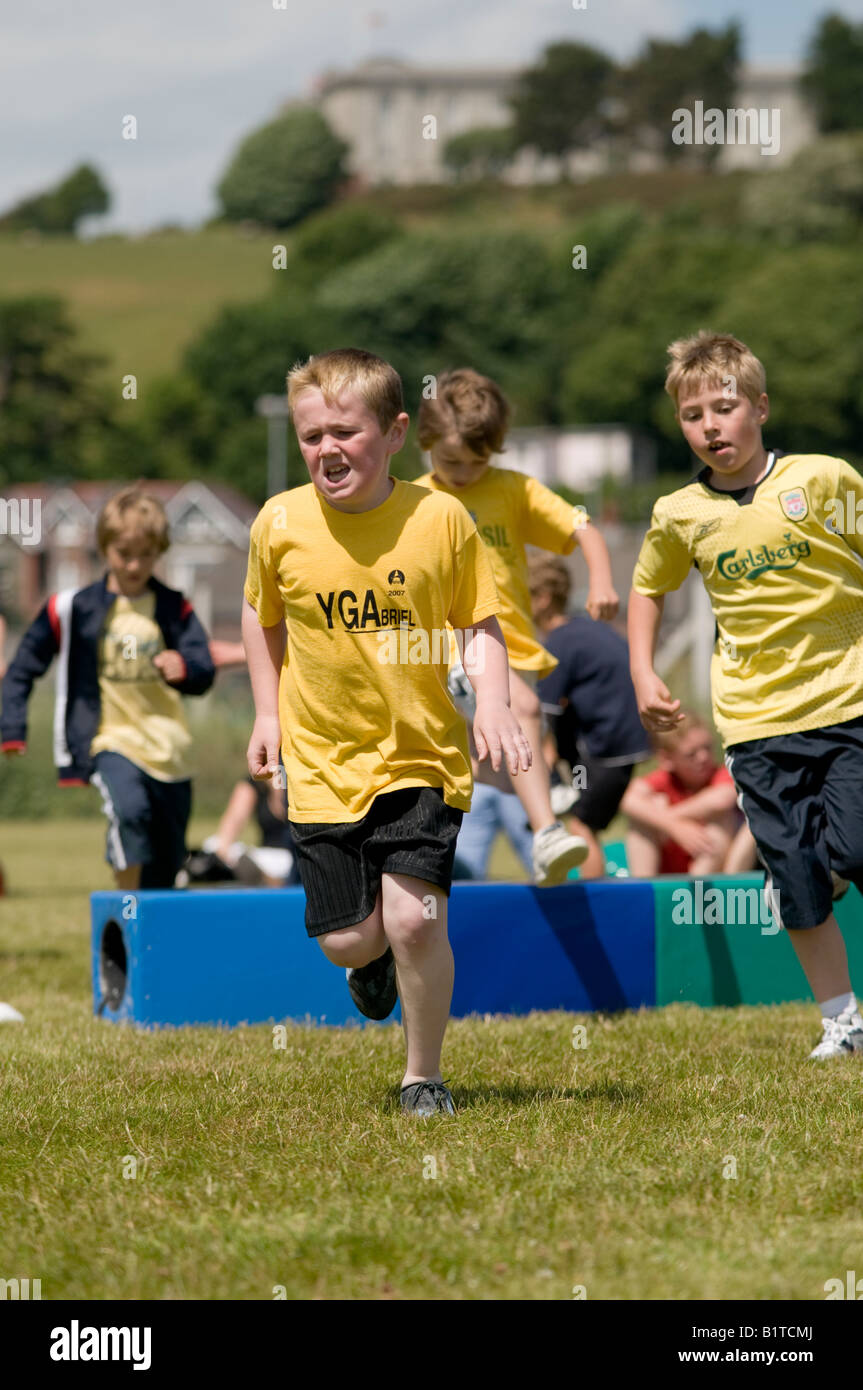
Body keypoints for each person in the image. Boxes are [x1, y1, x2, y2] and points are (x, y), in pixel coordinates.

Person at [242, 348, 531, 1117]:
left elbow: (479, 621)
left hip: (420, 757)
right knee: (350, 940)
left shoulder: (440, 519)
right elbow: (259, 613)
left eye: (345, 431)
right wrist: (268, 713)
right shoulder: (279, 522)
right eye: (310, 436)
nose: (326, 449)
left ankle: (422, 1075)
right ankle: (364, 967)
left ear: (395, 431)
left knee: (414, 918)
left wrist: (495, 703)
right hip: (322, 761)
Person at [629, 330, 863, 1060]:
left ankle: (830, 861)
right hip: (755, 722)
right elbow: (648, 589)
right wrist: (642, 671)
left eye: (723, 408)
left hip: (848, 699)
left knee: (854, 849)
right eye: (693, 414)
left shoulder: (825, 479)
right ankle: (840, 1020)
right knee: (792, 879)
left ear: (758, 408)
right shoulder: (678, 514)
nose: (709, 425)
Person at [415, 368, 620, 887]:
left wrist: (600, 580)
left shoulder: (513, 490)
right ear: (425, 443)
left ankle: (536, 825)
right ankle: (547, 829)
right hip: (449, 644)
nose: (462, 474)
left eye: (476, 462)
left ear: (497, 449)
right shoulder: (412, 500)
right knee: (519, 711)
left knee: (500, 759)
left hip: (514, 645)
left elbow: (581, 525)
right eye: (449, 461)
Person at [1, 486, 215, 890]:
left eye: (146, 554)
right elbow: (24, 666)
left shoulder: (174, 607)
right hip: (109, 741)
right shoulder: (72, 609)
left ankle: (150, 932)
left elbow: (203, 668)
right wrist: (12, 727)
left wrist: (183, 666)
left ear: (160, 551)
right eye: (124, 553)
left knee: (167, 861)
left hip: (168, 748)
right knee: (129, 812)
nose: (135, 565)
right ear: (104, 547)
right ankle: (126, 907)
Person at [529, 554, 650, 878]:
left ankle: (591, 902)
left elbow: (543, 716)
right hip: (622, 744)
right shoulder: (587, 630)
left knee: (582, 827)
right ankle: (559, 794)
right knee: (585, 822)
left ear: (542, 598)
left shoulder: (558, 643)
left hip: (605, 749)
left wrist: (549, 766)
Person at [620, 711, 755, 877]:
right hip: (671, 863)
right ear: (667, 760)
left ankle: (702, 886)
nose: (703, 757)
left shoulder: (720, 773)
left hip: (717, 870)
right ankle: (643, 888)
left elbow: (721, 799)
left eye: (707, 748)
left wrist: (671, 820)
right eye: (691, 754)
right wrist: (673, 826)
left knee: (723, 818)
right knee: (643, 818)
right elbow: (627, 799)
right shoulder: (665, 780)